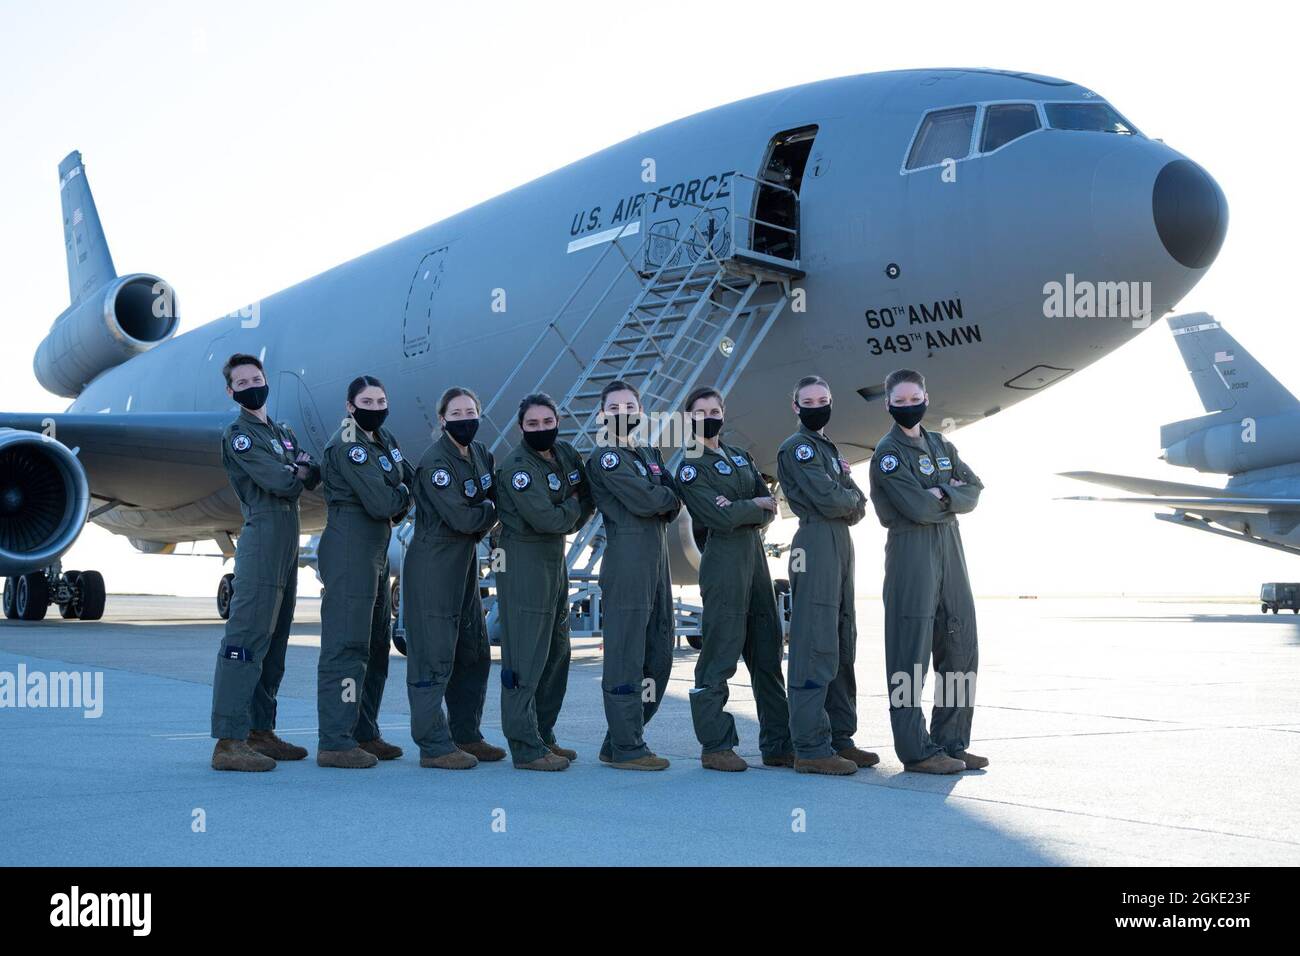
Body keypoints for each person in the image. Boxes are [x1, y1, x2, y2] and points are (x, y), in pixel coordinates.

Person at [867, 369, 986, 775]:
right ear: (888, 404)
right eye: (899, 401)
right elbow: (915, 508)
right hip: (910, 551)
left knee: (960, 646)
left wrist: (944, 493)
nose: (907, 405)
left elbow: (975, 490)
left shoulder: (940, 444)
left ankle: (951, 742)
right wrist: (944, 494)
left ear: (925, 396)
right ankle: (916, 749)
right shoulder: (888, 452)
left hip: (949, 547)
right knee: (910, 653)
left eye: (913, 397)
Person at [210, 353, 320, 772]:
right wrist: (295, 470)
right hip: (261, 539)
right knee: (245, 639)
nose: (252, 385)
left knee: (274, 644)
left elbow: (313, 472)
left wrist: (296, 469)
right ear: (231, 392)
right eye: (243, 382)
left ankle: (260, 731)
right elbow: (281, 481)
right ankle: (228, 740)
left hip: (288, 543)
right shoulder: (239, 435)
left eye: (257, 378)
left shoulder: (281, 431)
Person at [676, 386, 794, 772]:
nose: (709, 416)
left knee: (767, 653)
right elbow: (717, 517)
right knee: (720, 653)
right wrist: (749, 507)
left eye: (715, 409)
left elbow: (770, 507)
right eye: (700, 411)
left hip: (755, 559)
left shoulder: (740, 458)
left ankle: (778, 743)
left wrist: (747, 508)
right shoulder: (690, 464)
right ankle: (716, 744)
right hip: (724, 561)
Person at [776, 375, 878, 775]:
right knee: (815, 644)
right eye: (809, 400)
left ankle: (839, 737)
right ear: (796, 407)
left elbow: (858, 502)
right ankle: (810, 747)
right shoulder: (798, 448)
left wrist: (847, 500)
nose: (817, 405)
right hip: (815, 540)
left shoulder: (828, 449)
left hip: (840, 543)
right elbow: (831, 498)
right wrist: (846, 500)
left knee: (841, 640)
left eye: (824, 399)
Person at [403, 386, 505, 769]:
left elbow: (485, 500)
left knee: (474, 653)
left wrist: (487, 510)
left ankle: (467, 734)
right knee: (433, 656)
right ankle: (433, 744)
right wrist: (492, 511)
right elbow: (462, 518)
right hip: (434, 563)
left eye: (471, 411)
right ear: (442, 419)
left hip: (463, 564)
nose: (466, 419)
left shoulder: (480, 454)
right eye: (457, 413)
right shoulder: (436, 463)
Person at [316, 375, 415, 769]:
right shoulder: (348, 444)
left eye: (381, 400)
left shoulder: (383, 440)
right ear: (350, 406)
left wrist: (399, 494)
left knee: (375, 647)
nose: (375, 407)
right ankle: (335, 740)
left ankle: (364, 731)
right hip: (349, 547)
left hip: (375, 548)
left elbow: (405, 475)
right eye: (367, 401)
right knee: (346, 646)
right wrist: (402, 495)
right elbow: (380, 500)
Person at [494, 393, 594, 771]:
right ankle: (524, 746)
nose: (541, 429)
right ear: (521, 427)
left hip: (554, 559)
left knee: (556, 652)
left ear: (558, 421)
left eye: (547, 422)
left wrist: (567, 510)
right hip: (524, 560)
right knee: (525, 656)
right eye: (532, 424)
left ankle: (543, 735)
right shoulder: (518, 467)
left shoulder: (565, 453)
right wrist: (569, 509)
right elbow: (548, 520)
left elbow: (587, 498)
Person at [585, 380, 680, 771]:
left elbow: (671, 496)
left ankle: (619, 739)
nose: (624, 411)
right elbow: (648, 499)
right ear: (604, 414)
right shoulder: (606, 457)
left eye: (631, 404)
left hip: (657, 562)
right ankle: (627, 746)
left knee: (659, 654)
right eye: (615, 406)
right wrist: (663, 498)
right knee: (625, 655)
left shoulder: (647, 451)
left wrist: (664, 498)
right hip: (627, 561)